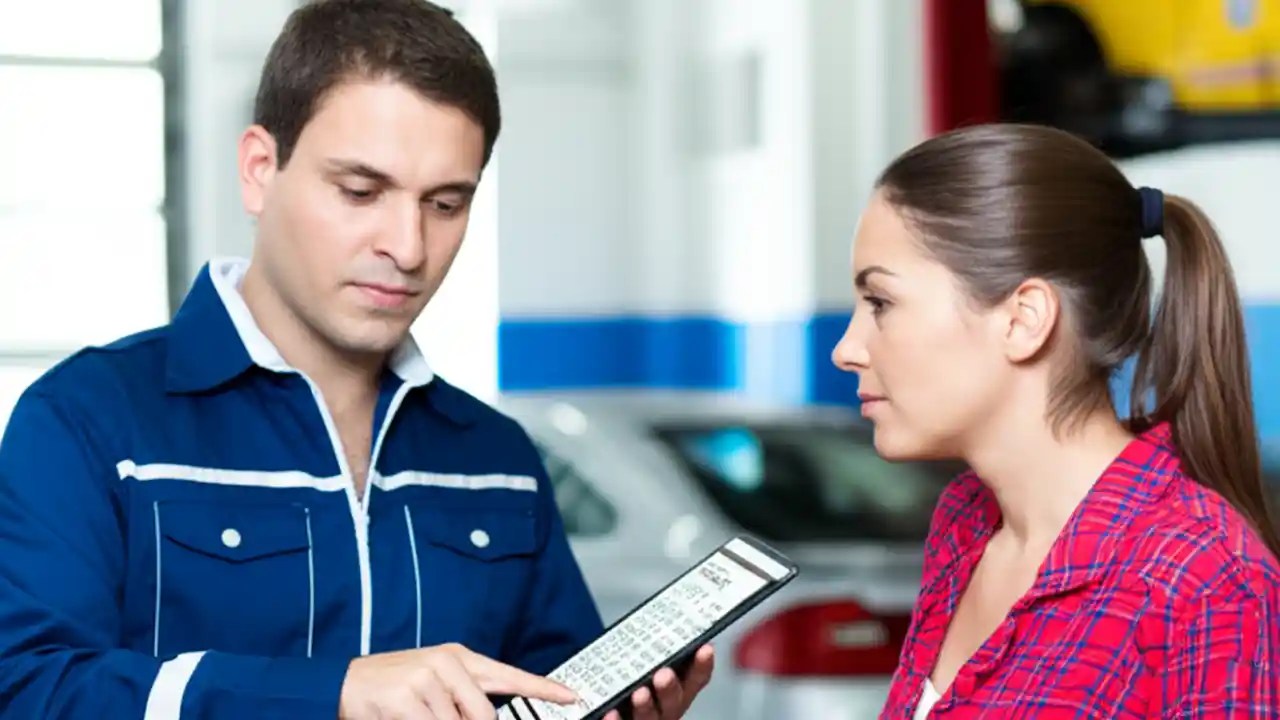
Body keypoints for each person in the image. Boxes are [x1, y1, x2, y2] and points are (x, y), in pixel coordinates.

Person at [0, 1, 714, 718]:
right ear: (259, 169)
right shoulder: (87, 422)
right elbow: (29, 688)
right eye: (361, 192)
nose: (407, 247)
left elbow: (545, 695)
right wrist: (333, 693)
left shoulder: (499, 462)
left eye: (444, 204)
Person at [831, 123, 1280, 719]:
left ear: (1024, 320)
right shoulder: (964, 525)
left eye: (881, 303)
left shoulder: (1204, 579)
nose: (846, 349)